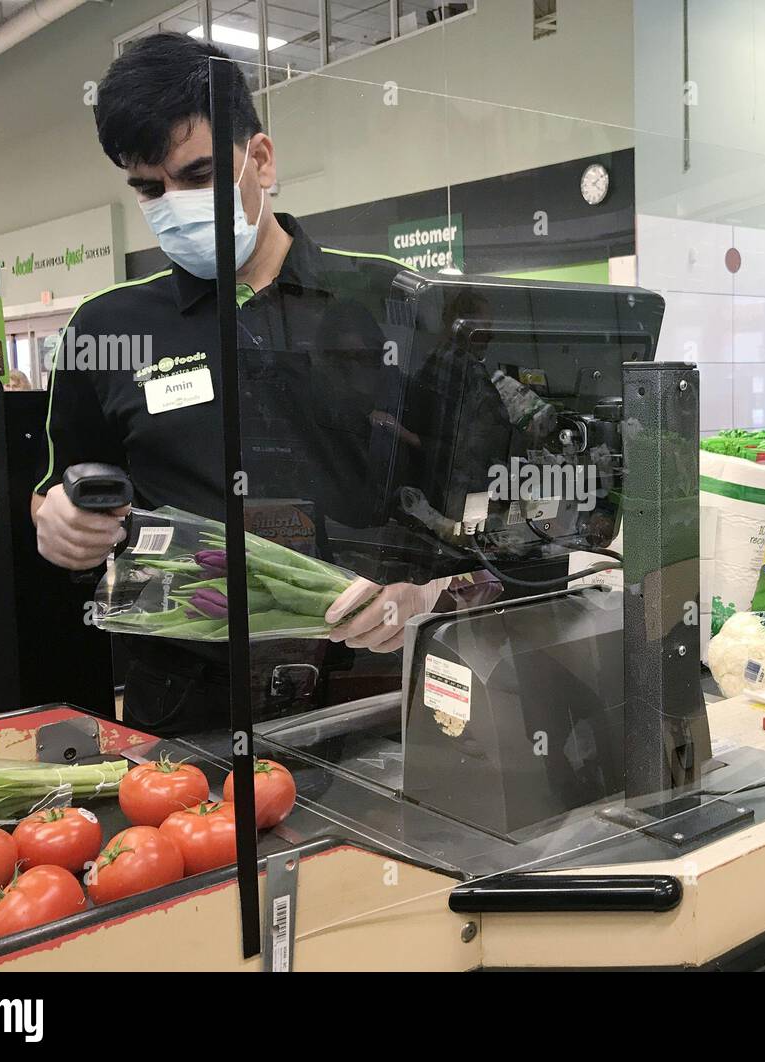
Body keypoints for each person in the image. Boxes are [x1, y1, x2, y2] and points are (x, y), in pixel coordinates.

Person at [31, 33, 496, 736]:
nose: (174, 204)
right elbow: (60, 484)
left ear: (262, 159)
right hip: (188, 706)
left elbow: (484, 500)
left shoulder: (392, 302)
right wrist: (56, 521)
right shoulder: (107, 327)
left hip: (379, 688)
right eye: (149, 188)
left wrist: (426, 590)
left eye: (196, 175)